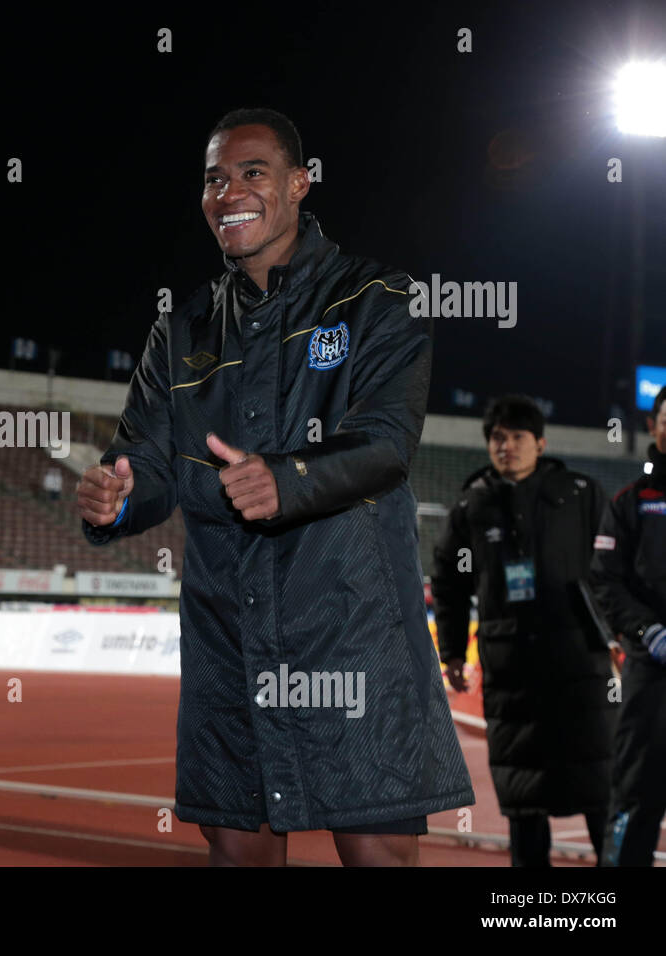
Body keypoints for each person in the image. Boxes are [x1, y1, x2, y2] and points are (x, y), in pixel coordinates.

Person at [77, 108, 472, 866]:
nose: (230, 191)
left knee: (378, 854)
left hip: (352, 631)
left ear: (299, 182)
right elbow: (145, 462)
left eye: (252, 172)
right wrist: (118, 496)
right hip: (228, 638)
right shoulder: (183, 329)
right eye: (213, 178)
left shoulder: (379, 297)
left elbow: (387, 443)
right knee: (237, 854)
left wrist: (287, 480)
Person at [431, 395, 613, 866]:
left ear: (540, 442)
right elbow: (448, 585)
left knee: (599, 791)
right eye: (497, 438)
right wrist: (452, 652)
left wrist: (614, 632)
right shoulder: (473, 505)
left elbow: (614, 568)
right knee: (524, 801)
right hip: (511, 675)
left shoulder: (580, 493)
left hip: (579, 667)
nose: (506, 446)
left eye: (517, 437)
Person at [591, 386, 666, 866]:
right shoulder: (630, 503)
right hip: (652, 678)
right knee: (637, 796)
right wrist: (649, 632)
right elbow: (605, 581)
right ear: (654, 425)